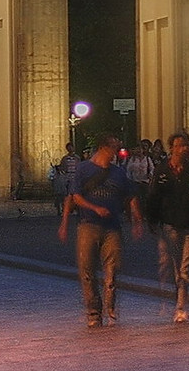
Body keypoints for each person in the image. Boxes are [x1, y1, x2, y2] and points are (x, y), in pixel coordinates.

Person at [57, 135, 142, 327]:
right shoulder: (83, 169)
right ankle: (94, 312)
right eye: (114, 149)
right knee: (87, 271)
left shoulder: (119, 173)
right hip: (88, 225)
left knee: (112, 271)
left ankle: (110, 308)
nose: (116, 153)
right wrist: (67, 223)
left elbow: (131, 196)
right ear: (103, 148)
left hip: (113, 227)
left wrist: (137, 220)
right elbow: (74, 197)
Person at [146, 131, 189, 323]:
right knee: (170, 264)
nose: (184, 148)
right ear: (171, 147)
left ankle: (180, 305)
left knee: (185, 268)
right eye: (180, 145)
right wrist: (152, 221)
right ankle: (175, 303)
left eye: (186, 145)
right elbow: (153, 196)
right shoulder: (162, 170)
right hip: (169, 223)